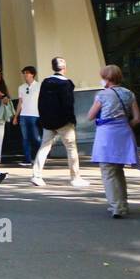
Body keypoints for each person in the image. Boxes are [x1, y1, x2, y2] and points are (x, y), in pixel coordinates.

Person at [87, 64, 140, 218]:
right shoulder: (129, 93)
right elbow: (137, 119)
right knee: (119, 170)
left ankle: (116, 207)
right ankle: (123, 204)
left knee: (108, 170)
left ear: (106, 78)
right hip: (124, 134)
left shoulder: (102, 95)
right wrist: (124, 125)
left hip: (107, 135)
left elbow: (90, 116)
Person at [31, 56, 88, 187]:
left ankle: (36, 175)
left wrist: (43, 119)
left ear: (53, 67)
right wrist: (71, 120)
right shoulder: (66, 83)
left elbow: (41, 103)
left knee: (44, 147)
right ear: (64, 67)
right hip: (64, 123)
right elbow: (68, 104)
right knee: (71, 148)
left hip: (48, 122)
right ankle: (75, 178)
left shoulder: (45, 82)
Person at [13, 65, 42, 166]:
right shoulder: (21, 87)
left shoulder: (39, 86)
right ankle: (27, 159)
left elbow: (42, 101)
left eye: (27, 73)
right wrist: (16, 116)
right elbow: (20, 102)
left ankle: (40, 158)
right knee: (25, 138)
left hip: (35, 115)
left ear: (32, 74)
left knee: (36, 138)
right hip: (23, 116)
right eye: (24, 73)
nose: (25, 75)